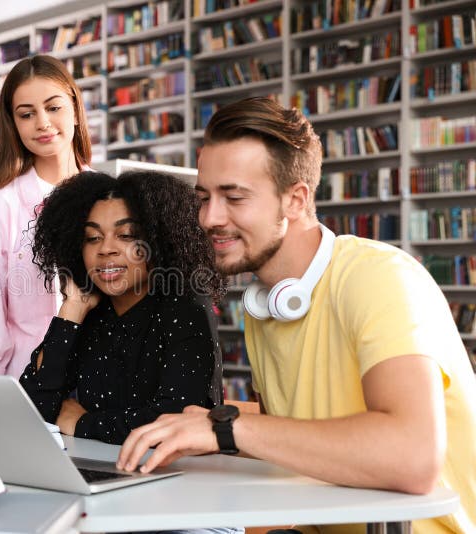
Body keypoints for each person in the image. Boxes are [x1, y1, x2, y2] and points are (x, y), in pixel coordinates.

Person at [117, 97, 476, 534]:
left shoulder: (378, 277)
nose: (209, 218)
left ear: (296, 199)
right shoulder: (266, 306)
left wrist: (227, 429)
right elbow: (295, 435)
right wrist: (189, 424)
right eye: (204, 197)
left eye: (233, 197)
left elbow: (412, 457)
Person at [19, 170, 227, 446]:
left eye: (126, 235)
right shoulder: (90, 311)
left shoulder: (186, 308)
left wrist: (82, 423)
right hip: (99, 467)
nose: (106, 249)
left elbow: (176, 420)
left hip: (175, 477)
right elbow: (32, 411)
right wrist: (71, 310)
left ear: (158, 240)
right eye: (92, 238)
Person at [0, 55, 91, 378]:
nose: (42, 123)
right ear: (13, 124)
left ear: (75, 108)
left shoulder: (113, 199)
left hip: (105, 393)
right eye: (27, 114)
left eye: (53, 107)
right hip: (28, 386)